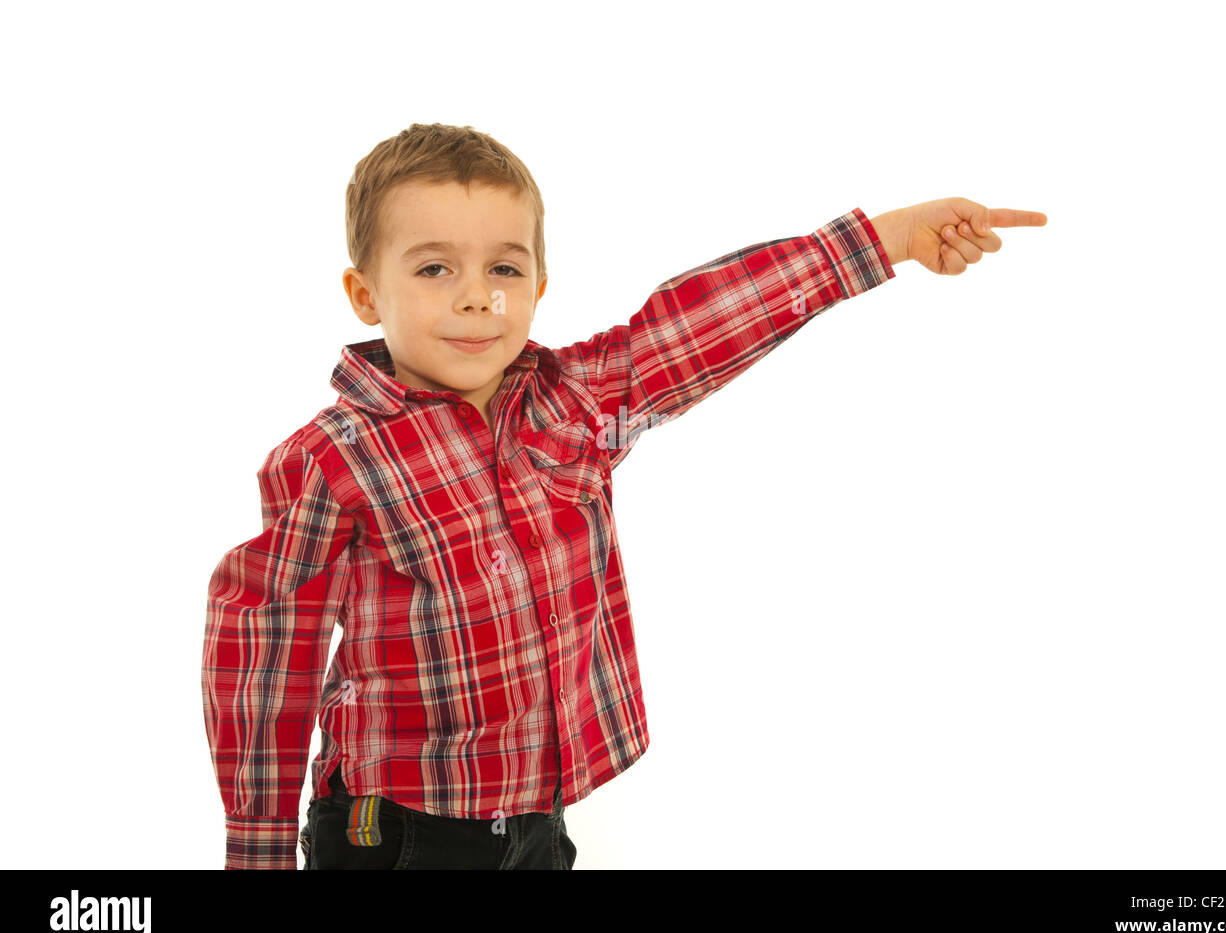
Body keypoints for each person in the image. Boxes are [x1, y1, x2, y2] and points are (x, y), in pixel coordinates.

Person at [201, 121, 1047, 869]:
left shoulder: (576, 403)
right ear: (364, 294)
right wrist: (261, 850)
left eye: (504, 267)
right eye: (433, 268)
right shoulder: (331, 460)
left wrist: (886, 238)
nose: (474, 296)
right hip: (399, 831)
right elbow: (266, 647)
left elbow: (700, 324)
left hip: (537, 819)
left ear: (537, 289)